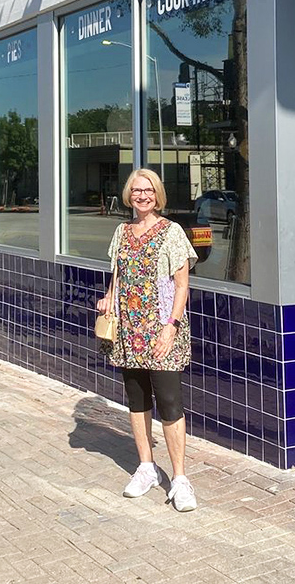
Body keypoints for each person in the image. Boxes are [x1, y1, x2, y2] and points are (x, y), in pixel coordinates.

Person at [97, 168, 198, 512]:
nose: (142, 196)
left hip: (160, 329)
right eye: (137, 190)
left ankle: (180, 479)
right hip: (128, 328)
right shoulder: (122, 232)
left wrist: (171, 325)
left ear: (158, 195)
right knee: (137, 399)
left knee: (169, 401)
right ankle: (146, 468)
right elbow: (117, 275)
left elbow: (182, 284)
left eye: (149, 190)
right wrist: (109, 298)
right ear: (129, 194)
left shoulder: (172, 232)